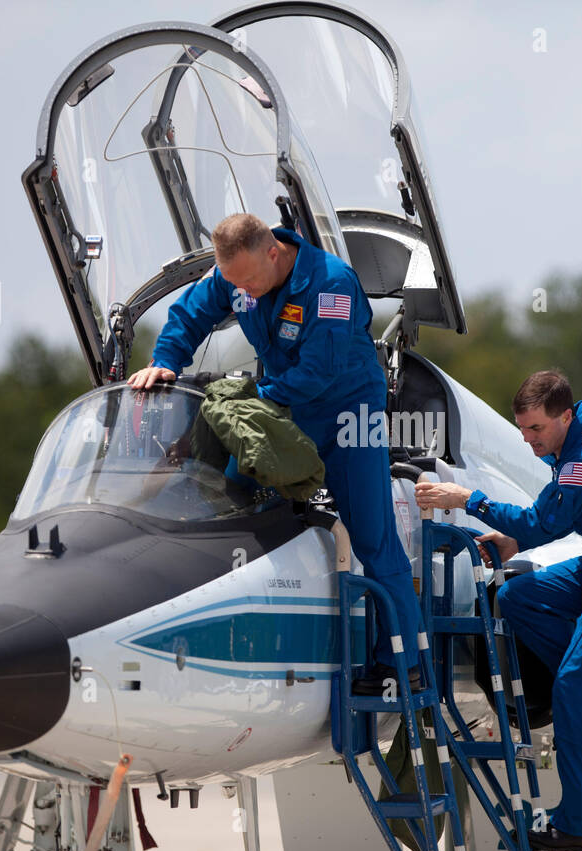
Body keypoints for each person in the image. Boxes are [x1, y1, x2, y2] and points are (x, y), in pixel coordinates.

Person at [129, 213, 423, 696]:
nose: (241, 291)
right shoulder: (237, 275)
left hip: (347, 416)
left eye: (247, 280)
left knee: (372, 536)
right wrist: (164, 362)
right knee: (232, 496)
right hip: (281, 404)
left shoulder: (330, 285)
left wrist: (251, 397)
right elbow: (191, 312)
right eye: (232, 282)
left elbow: (319, 371)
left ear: (273, 252)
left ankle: (399, 664)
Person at [413, 369, 582, 851]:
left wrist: (467, 500)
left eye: (536, 429)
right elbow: (548, 522)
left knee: (576, 695)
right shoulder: (570, 447)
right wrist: (514, 539)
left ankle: (579, 826)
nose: (528, 440)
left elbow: (545, 521)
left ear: (564, 416)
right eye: (522, 431)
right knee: (517, 597)